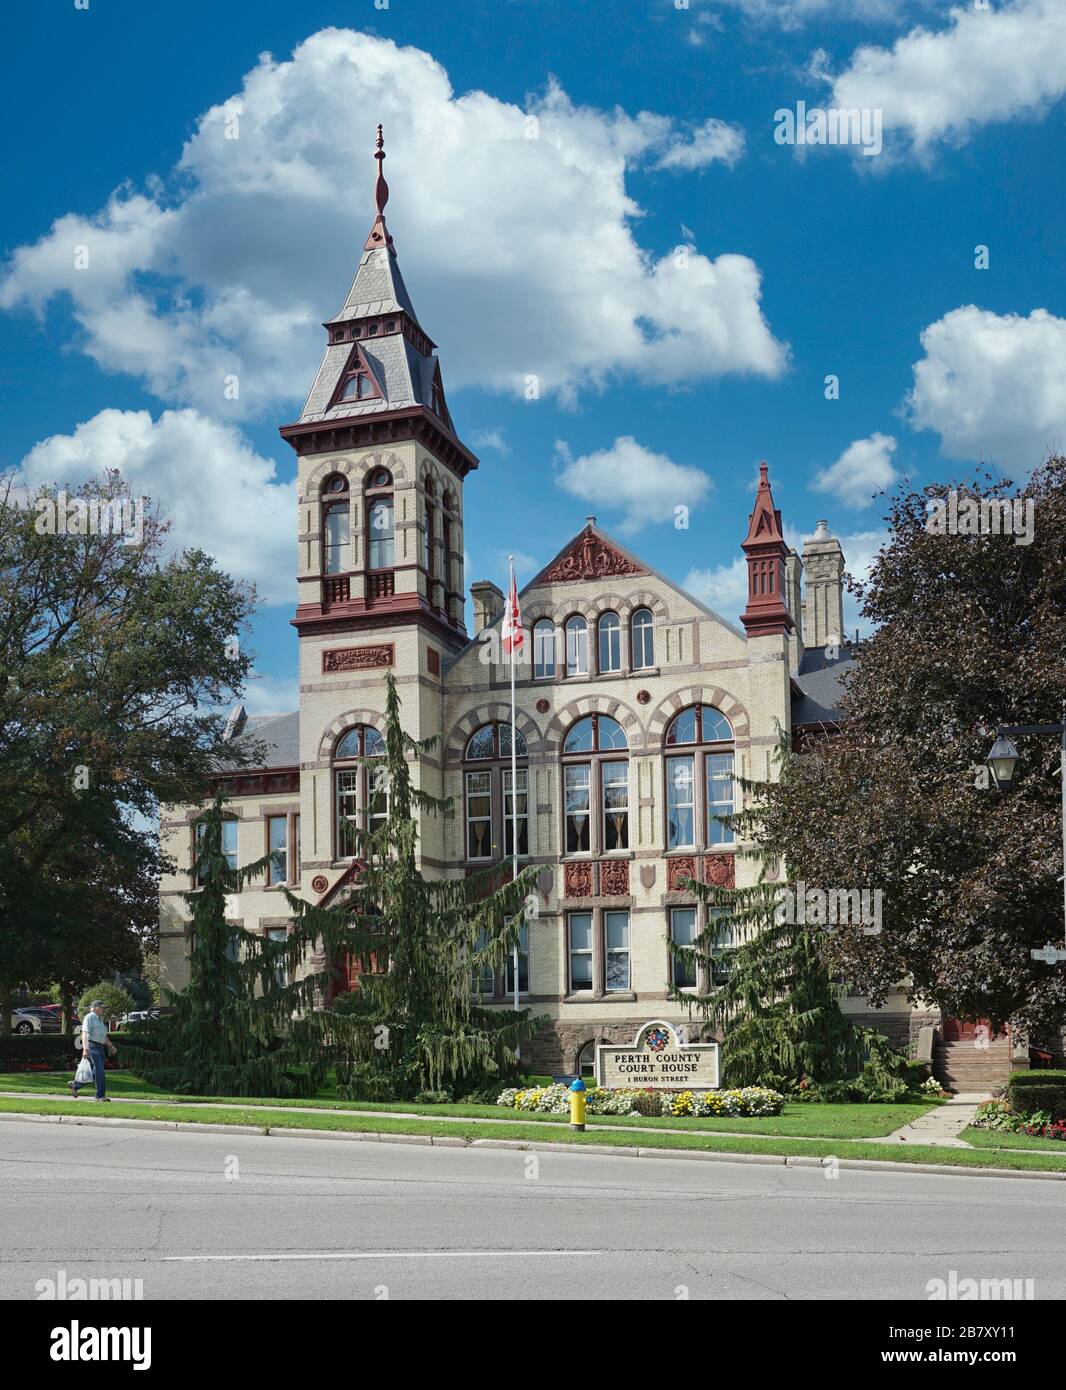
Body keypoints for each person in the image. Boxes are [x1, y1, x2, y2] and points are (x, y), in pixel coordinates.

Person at [70, 1001, 116, 1102]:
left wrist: (111, 1046)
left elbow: (103, 1036)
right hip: (92, 1046)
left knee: (93, 1072)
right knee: (100, 1071)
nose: (103, 1010)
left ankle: (75, 1085)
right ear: (95, 1007)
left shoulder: (99, 1019)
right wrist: (85, 1049)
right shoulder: (89, 1017)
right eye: (102, 1007)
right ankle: (100, 1096)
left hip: (99, 1047)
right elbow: (85, 1034)